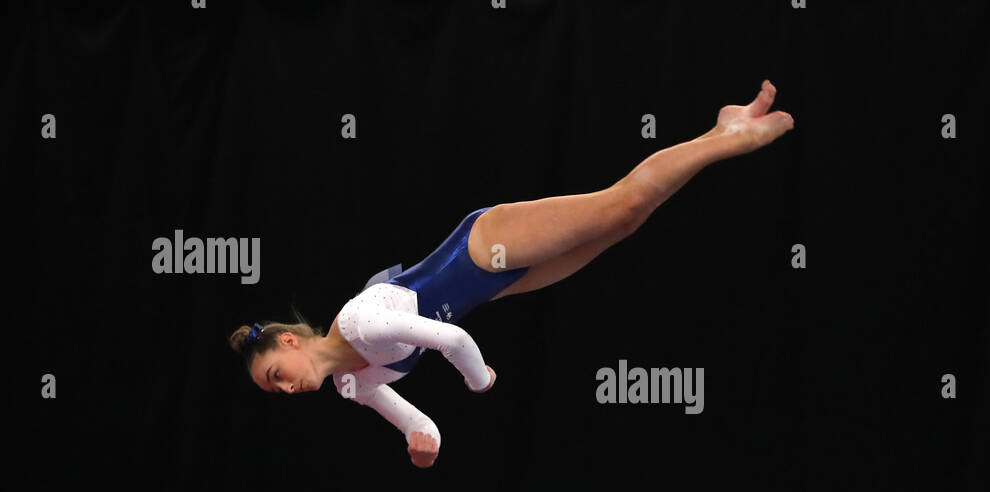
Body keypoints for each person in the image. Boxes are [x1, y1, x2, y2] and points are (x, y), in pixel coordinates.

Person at [229, 80, 795, 468]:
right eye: (274, 389)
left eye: (277, 373)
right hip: (497, 284)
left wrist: (481, 381)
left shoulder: (358, 323)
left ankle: (728, 137)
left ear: (289, 341)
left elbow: (451, 338)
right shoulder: (355, 383)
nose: (285, 388)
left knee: (619, 205)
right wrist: (424, 445)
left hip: (482, 247)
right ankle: (718, 134)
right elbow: (418, 424)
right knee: (627, 223)